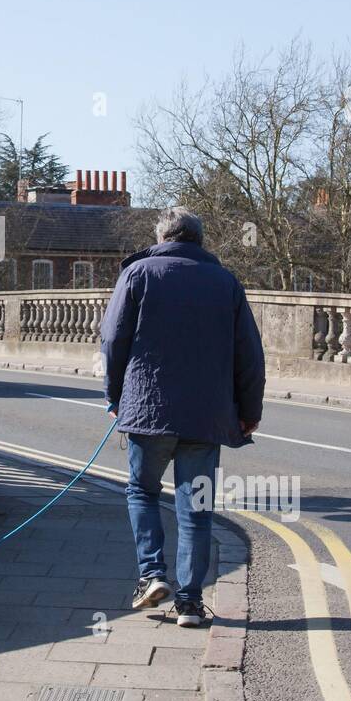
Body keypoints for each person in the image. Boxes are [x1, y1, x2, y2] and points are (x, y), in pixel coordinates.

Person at [100, 207, 265, 626]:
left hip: (148, 408)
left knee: (142, 492)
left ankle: (152, 575)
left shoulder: (137, 276)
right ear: (198, 239)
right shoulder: (226, 283)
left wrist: (115, 396)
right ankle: (190, 603)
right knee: (196, 508)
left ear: (162, 237)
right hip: (206, 416)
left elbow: (113, 340)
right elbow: (249, 354)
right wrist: (250, 411)